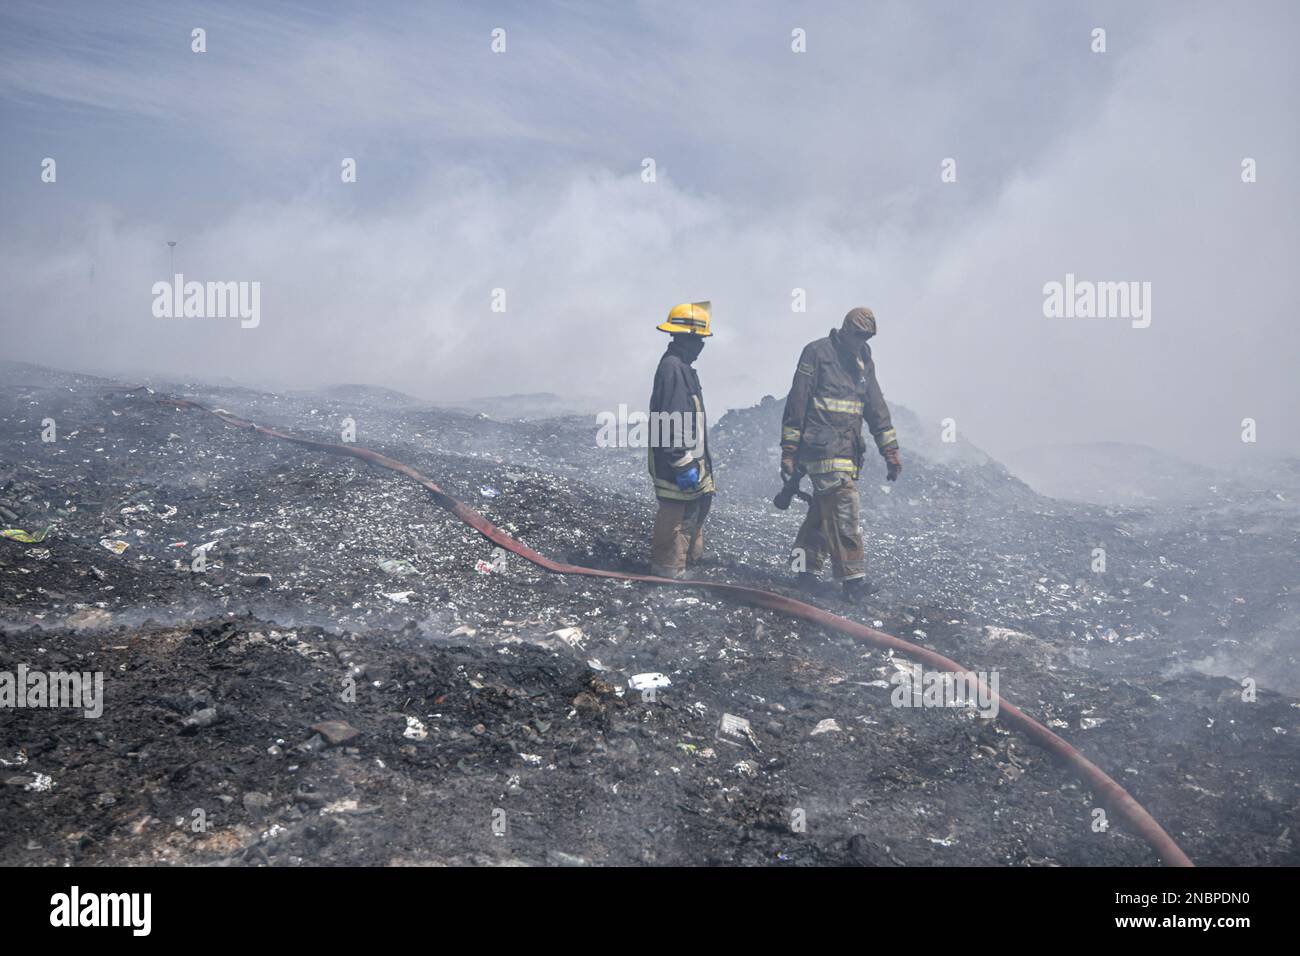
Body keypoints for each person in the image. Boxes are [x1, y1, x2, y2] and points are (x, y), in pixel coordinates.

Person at [780, 306, 902, 599]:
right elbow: (798, 400)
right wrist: (789, 449)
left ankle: (805, 572)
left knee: (824, 512)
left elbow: (875, 405)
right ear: (846, 330)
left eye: (867, 337)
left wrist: (891, 450)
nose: (861, 342)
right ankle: (853, 582)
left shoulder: (864, 359)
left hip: (847, 451)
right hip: (820, 447)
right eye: (858, 335)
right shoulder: (816, 353)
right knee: (844, 504)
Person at [648, 301, 715, 579]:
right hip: (677, 464)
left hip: (688, 462)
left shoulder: (681, 366)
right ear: (688, 338)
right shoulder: (674, 369)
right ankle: (668, 572)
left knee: (689, 515)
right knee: (675, 518)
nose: (702, 345)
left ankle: (682, 567)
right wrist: (680, 460)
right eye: (699, 339)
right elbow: (673, 418)